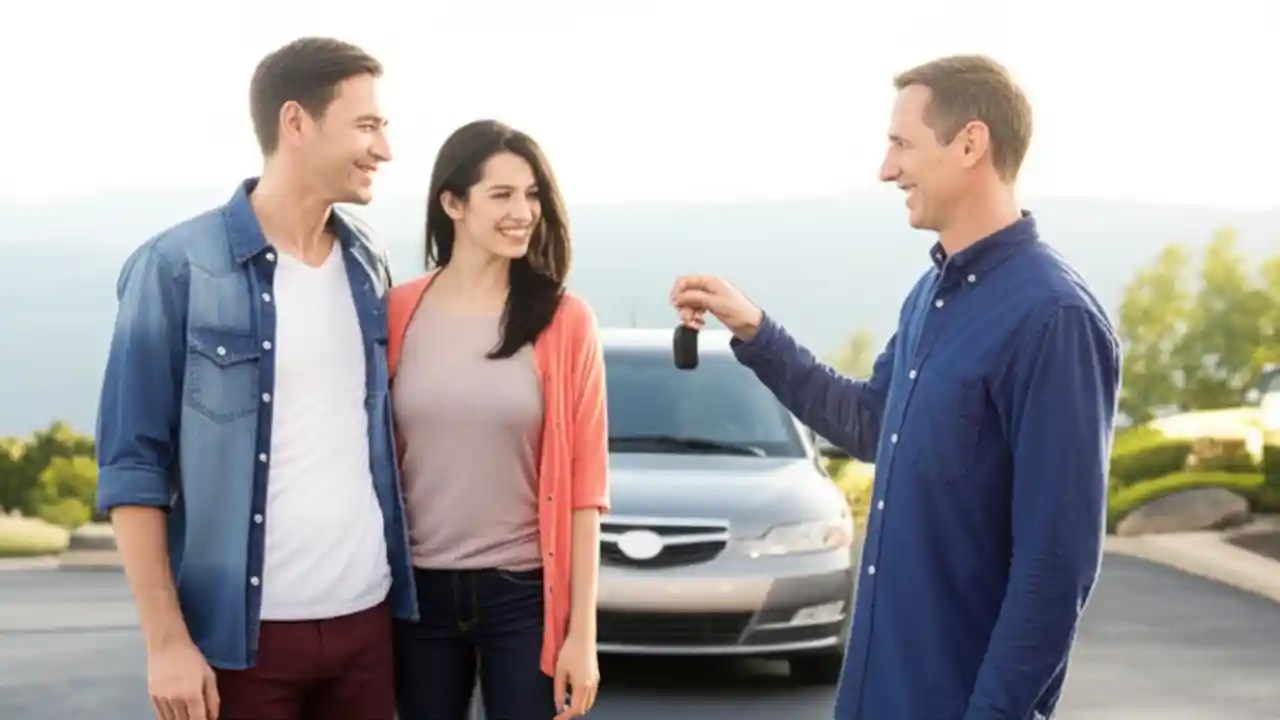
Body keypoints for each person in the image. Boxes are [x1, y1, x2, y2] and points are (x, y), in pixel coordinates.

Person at [670, 55, 1122, 719]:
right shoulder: (931, 296)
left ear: (970, 143)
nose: (887, 169)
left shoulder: (1055, 319)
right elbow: (867, 421)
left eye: (902, 144)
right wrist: (755, 330)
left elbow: (1056, 564)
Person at [94, 37, 416, 720]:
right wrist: (166, 642)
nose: (384, 149)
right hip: (238, 644)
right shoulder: (175, 267)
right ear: (295, 122)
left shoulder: (368, 261)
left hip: (367, 622)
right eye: (367, 125)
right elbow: (131, 464)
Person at [385, 119, 608, 720]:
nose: (524, 211)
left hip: (523, 595)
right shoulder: (397, 311)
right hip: (416, 595)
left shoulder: (565, 321)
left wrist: (581, 636)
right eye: (502, 194)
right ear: (453, 203)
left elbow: (586, 489)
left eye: (533, 194)